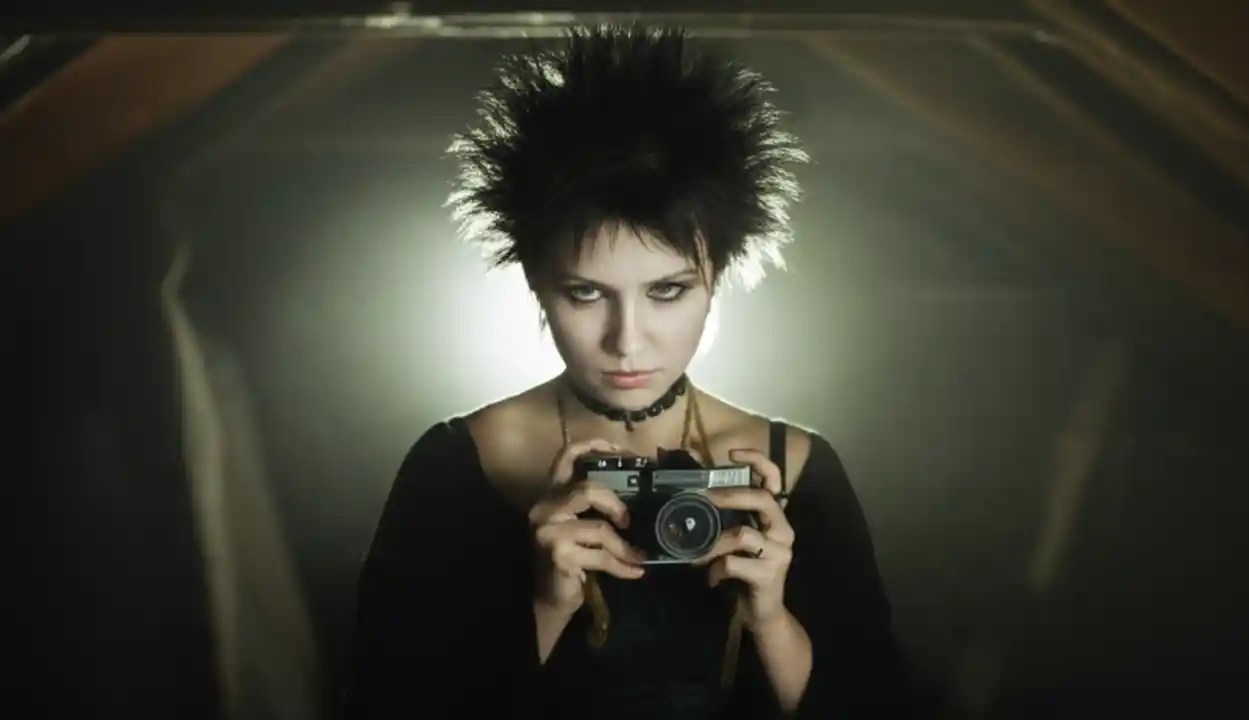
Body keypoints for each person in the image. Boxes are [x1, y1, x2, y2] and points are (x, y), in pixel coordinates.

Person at [341, 24, 909, 719]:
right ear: (536, 282)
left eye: (667, 292)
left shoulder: (794, 470)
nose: (627, 341)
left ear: (717, 277)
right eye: (586, 293)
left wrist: (770, 619)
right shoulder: (458, 465)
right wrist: (546, 603)